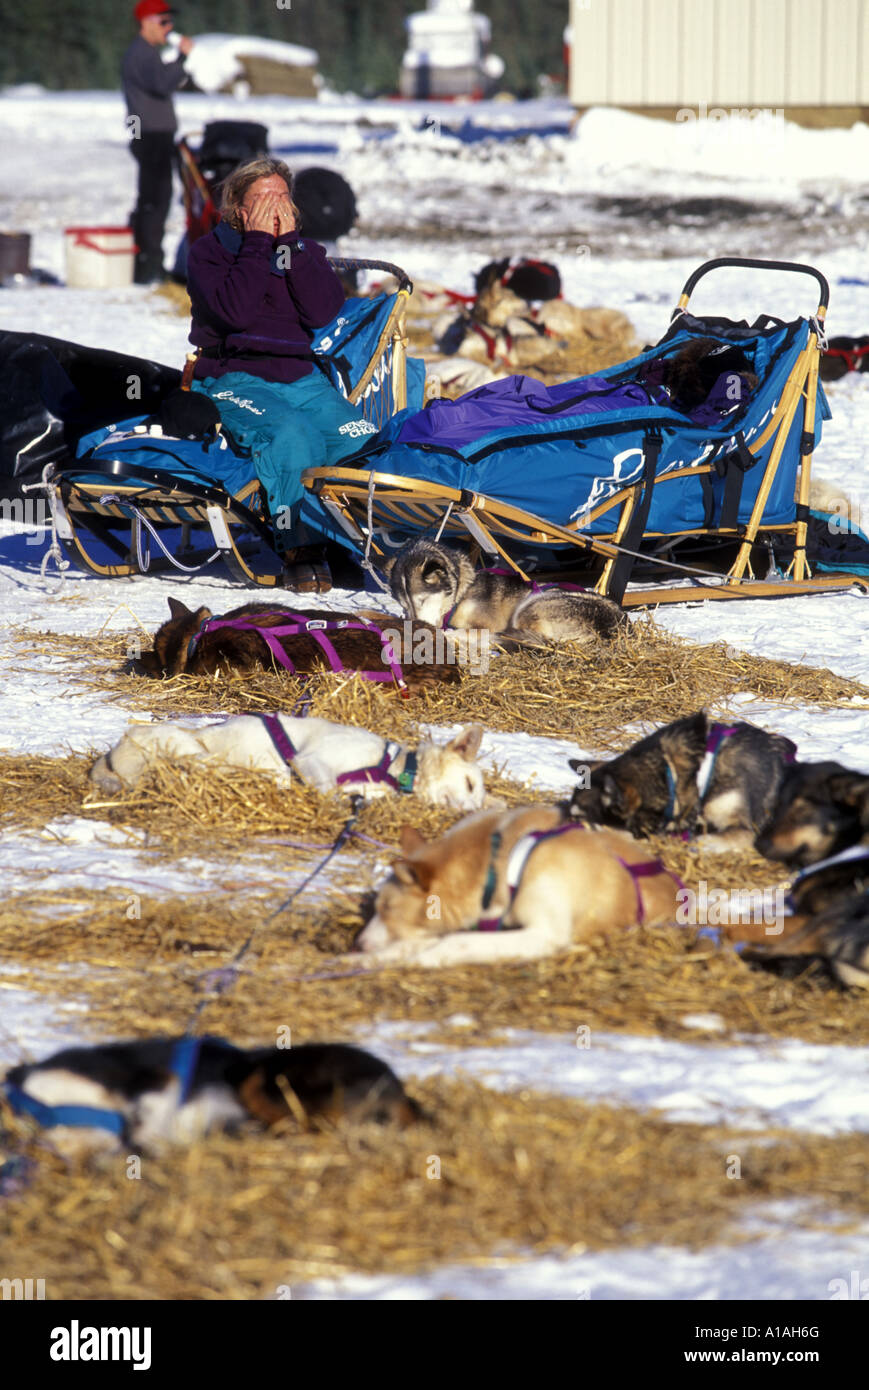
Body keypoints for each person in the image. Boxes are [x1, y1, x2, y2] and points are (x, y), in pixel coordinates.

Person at [185, 156, 378, 592]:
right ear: (237, 207)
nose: (275, 207)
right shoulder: (210, 253)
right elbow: (235, 311)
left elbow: (324, 310)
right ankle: (298, 545)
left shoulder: (302, 252)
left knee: (361, 437)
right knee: (293, 437)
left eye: (282, 197)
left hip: (301, 377)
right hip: (233, 376)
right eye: (262, 199)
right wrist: (256, 242)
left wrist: (291, 243)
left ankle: (347, 540)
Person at [121, 1, 194, 285]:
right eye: (163, 22)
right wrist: (181, 59)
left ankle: (150, 262)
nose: (169, 28)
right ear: (147, 22)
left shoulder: (147, 53)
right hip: (150, 137)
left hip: (155, 136)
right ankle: (148, 266)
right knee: (154, 201)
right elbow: (163, 84)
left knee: (156, 200)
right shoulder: (141, 54)